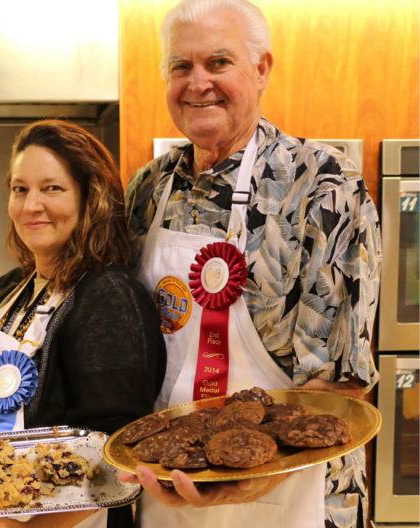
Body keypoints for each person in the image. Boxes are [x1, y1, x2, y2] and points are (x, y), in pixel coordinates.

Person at [121, 1, 382, 527]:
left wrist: (257, 474)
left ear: (261, 70)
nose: (197, 84)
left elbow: (343, 382)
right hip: (170, 494)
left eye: (218, 63)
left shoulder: (322, 186)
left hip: (291, 495)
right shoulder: (147, 189)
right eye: (180, 66)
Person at [0, 119, 166, 528]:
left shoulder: (109, 295)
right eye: (20, 189)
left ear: (91, 197)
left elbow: (117, 456)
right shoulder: (11, 286)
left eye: (51, 188)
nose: (30, 204)